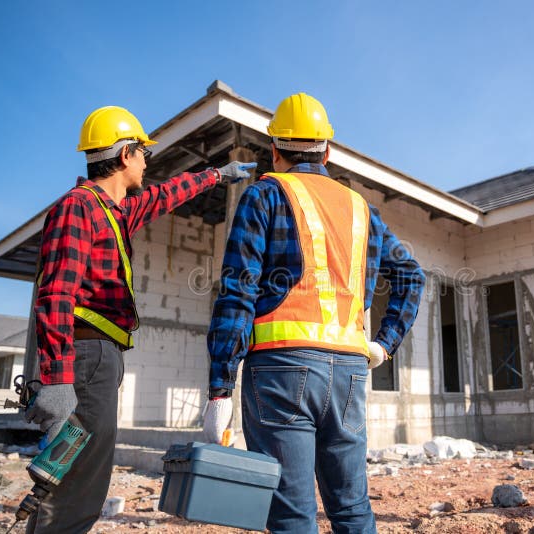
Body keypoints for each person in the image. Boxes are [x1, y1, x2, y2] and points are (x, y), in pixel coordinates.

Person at [25, 105, 256, 533]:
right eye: (143, 152)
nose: (148, 161)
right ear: (126, 153)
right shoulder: (79, 208)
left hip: (98, 357)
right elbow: (55, 294)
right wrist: (57, 380)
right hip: (84, 356)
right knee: (76, 483)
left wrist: (218, 176)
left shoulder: (114, 211)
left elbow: (165, 194)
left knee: (79, 475)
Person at [203, 93, 425, 533]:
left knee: (291, 515)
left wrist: (219, 387)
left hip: (281, 371)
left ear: (274, 150)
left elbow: (237, 293)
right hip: (348, 372)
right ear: (328, 151)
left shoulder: (264, 194)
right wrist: (383, 345)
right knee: (351, 509)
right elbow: (412, 276)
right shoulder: (362, 209)